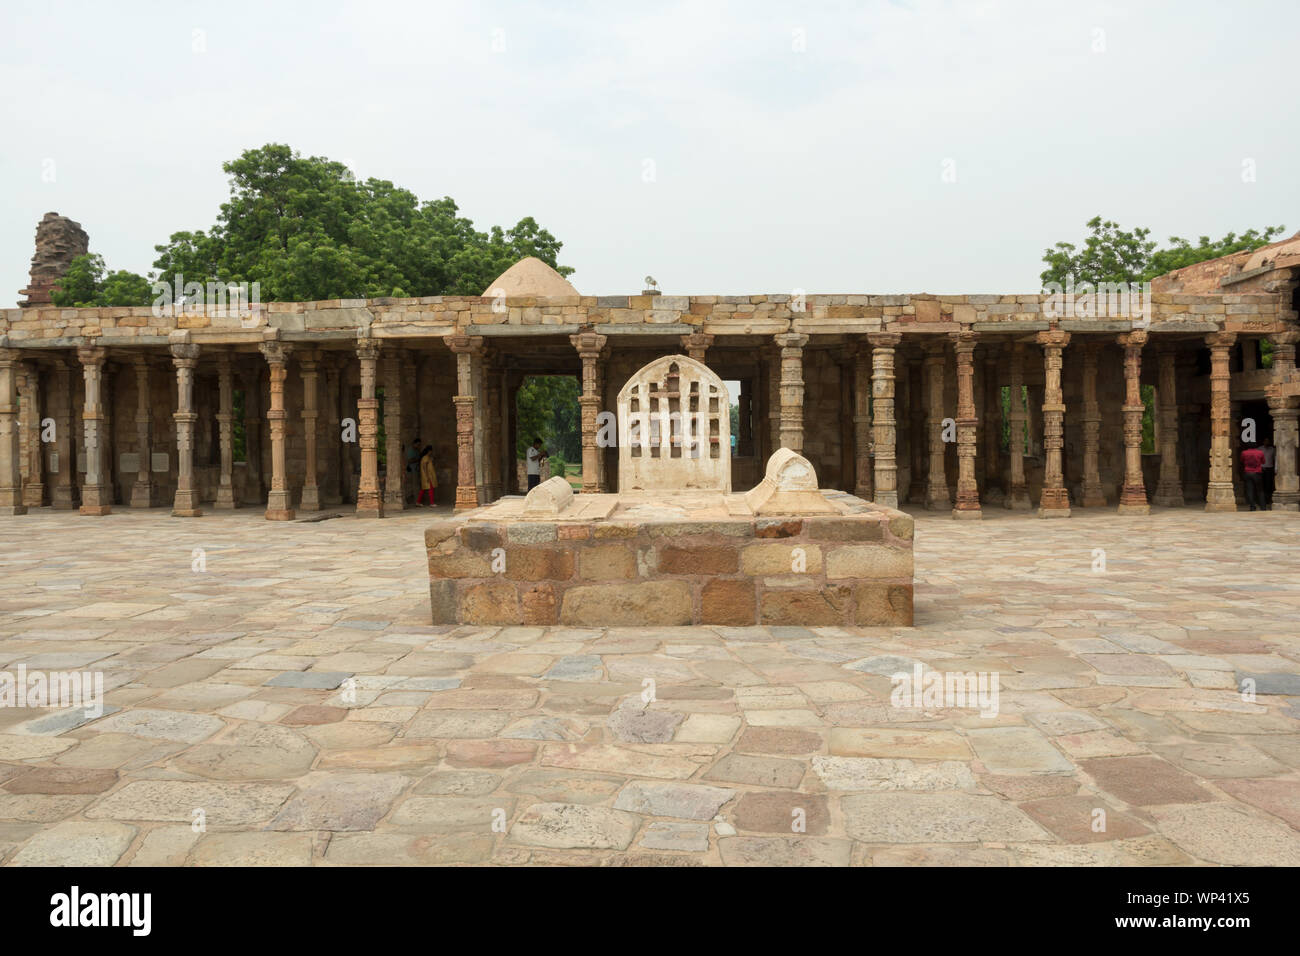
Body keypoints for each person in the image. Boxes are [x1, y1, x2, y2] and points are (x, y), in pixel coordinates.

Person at [1241, 441, 1266, 512]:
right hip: (1257, 472)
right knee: (1260, 490)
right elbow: (1263, 462)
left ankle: (1252, 506)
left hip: (1248, 472)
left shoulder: (1244, 453)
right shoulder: (1260, 452)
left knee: (1250, 490)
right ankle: (1263, 507)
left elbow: (1242, 460)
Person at [405, 437, 422, 504]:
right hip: (412, 470)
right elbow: (409, 460)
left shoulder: (417, 450)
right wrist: (417, 459)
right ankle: (416, 501)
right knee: (415, 486)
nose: (418, 446)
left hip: (417, 469)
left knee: (417, 485)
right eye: (417, 444)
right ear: (414, 444)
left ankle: (417, 500)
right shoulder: (411, 450)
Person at [1262, 439, 1276, 508]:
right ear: (1263, 441)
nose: (1267, 442)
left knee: (1269, 485)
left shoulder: (1272, 449)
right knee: (1262, 484)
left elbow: (1275, 459)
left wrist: (1275, 469)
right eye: (1265, 441)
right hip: (1262, 468)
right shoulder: (1259, 449)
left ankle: (1268, 499)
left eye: (1268, 441)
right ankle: (1262, 500)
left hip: (1269, 468)